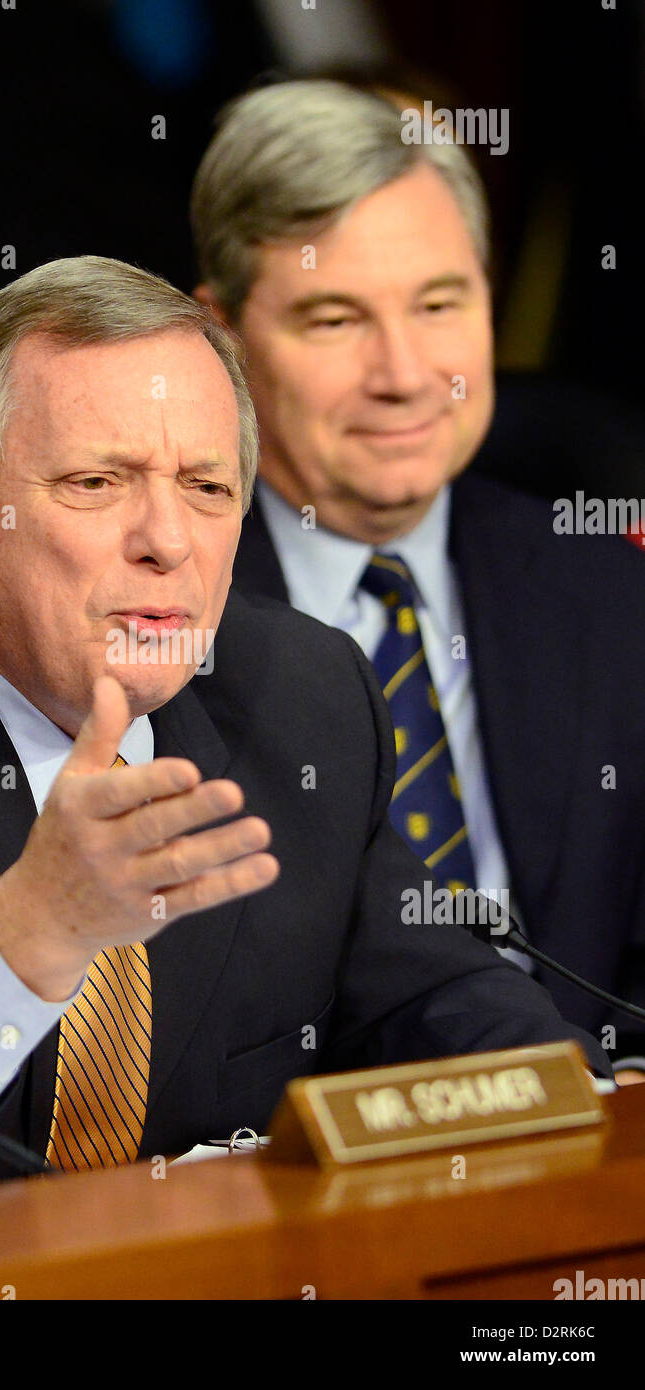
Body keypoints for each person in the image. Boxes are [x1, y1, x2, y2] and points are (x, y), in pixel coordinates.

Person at [0, 257, 614, 1208]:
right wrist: (30, 934)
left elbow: (438, 1003)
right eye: (97, 481)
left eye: (206, 487)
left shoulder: (302, 694)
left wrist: (589, 1108)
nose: (167, 540)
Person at [190, 80, 645, 1070]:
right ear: (220, 335)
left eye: (438, 303)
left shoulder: (609, 590)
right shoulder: (152, 621)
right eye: (333, 319)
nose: (402, 373)